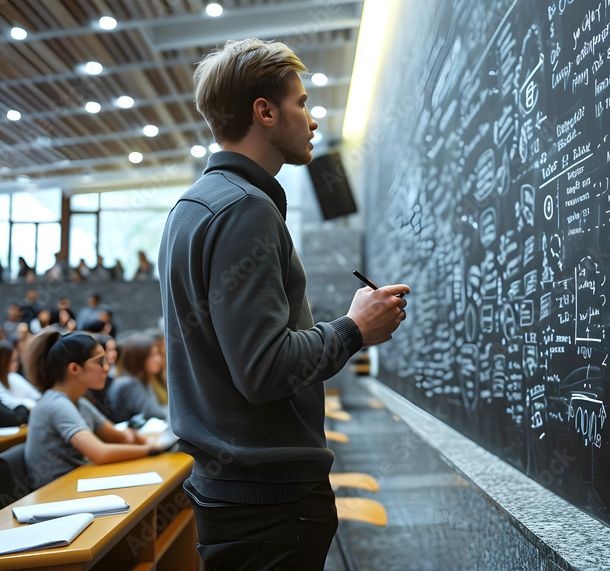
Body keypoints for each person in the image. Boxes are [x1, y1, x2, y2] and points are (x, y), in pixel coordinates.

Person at [158, 39, 409, 570]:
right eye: (300, 103)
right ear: (265, 112)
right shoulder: (245, 208)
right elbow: (264, 369)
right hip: (268, 503)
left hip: (236, 493)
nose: (312, 120)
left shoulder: (194, 206)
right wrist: (354, 329)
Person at [22, 331, 165, 488]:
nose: (106, 367)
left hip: (80, 483)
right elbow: (100, 453)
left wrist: (138, 438)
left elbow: (117, 437)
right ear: (74, 368)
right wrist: (150, 450)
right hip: (59, 493)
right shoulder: (56, 404)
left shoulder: (80, 402)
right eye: (99, 361)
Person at [107, 334, 167, 423]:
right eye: (152, 355)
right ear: (138, 357)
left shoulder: (149, 376)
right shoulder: (129, 383)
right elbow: (155, 413)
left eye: (159, 354)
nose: (159, 359)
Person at [0, 340, 42, 410]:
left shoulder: (13, 376)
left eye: (17, 360)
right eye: (13, 360)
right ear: (3, 362)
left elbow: (37, 396)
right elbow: (9, 403)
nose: (17, 364)